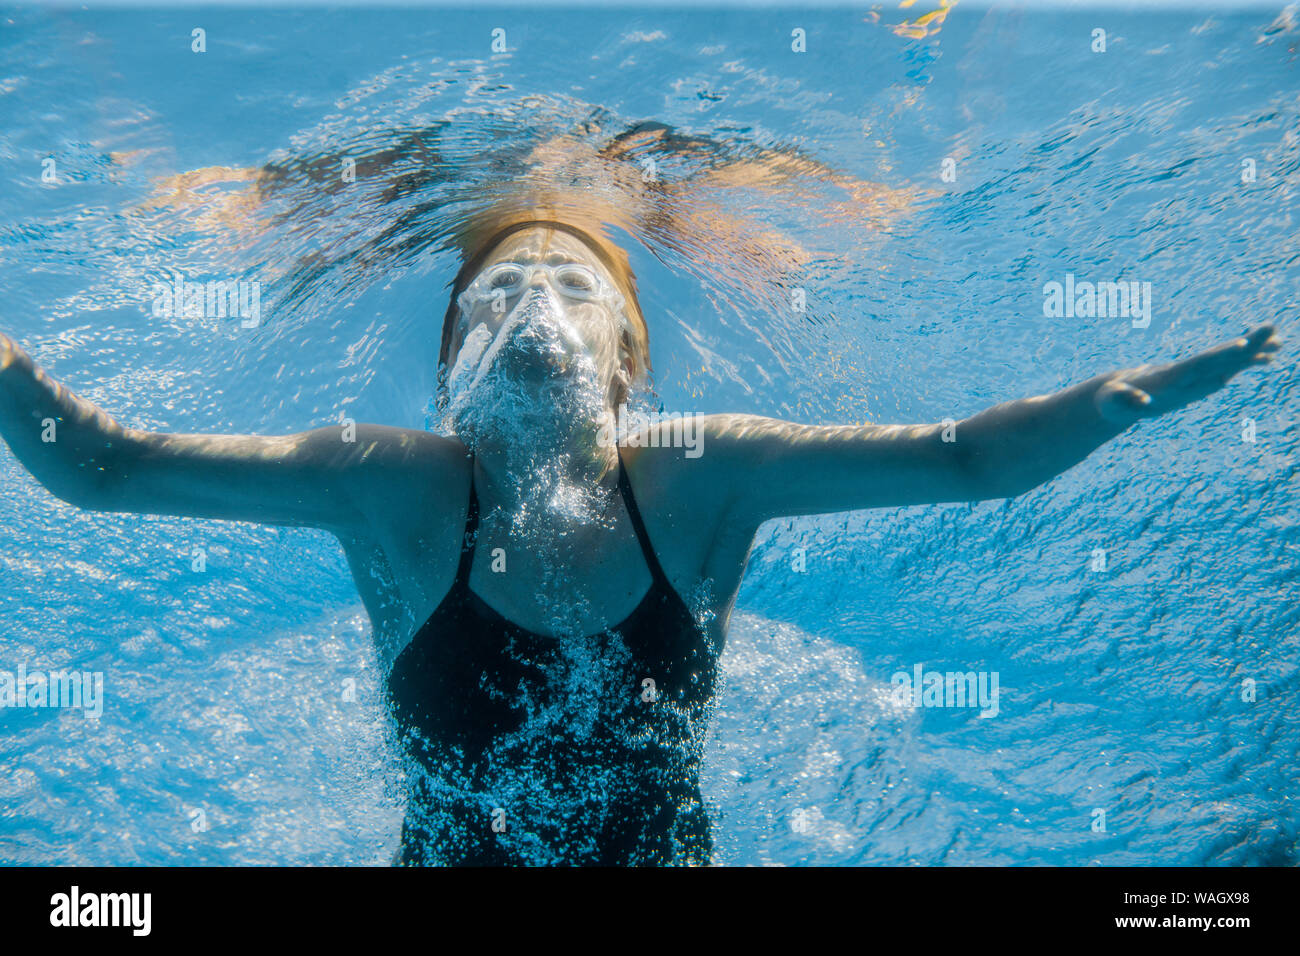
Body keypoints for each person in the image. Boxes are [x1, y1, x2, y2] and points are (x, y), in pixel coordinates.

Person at [0, 211, 1280, 865]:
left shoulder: (696, 478)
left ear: (626, 365)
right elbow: (106, 468)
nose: (532, 303)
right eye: (497, 290)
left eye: (572, 285)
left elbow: (957, 459)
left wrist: (1130, 396)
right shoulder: (388, 486)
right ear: (457, 364)